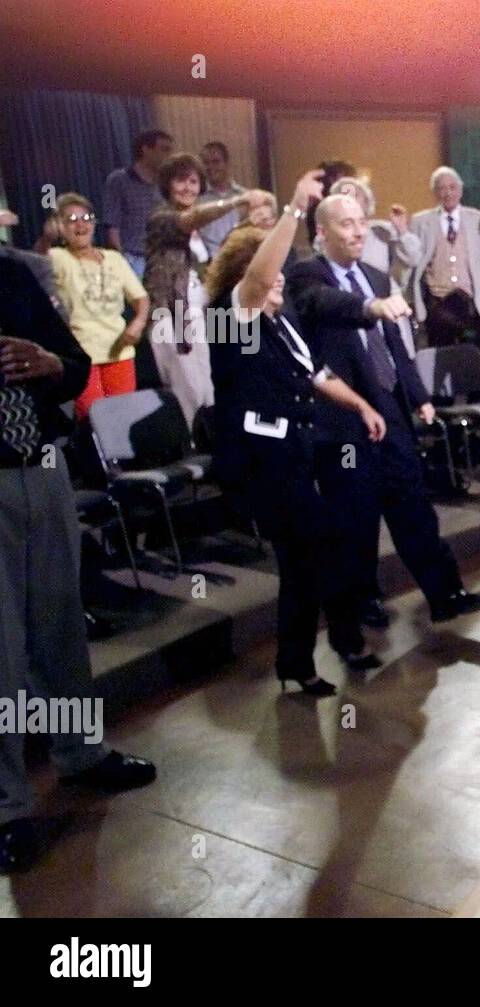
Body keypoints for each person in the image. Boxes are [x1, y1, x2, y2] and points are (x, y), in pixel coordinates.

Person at [0, 254, 156, 874]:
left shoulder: (9, 275)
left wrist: (50, 364)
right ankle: (8, 806)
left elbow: (76, 368)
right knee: (2, 652)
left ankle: (81, 752)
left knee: (62, 627)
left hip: (42, 467)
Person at [206, 171, 388, 695]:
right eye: (274, 270)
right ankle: (344, 641)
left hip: (297, 451)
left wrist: (362, 407)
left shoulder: (281, 324)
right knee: (324, 541)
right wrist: (292, 210)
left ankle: (298, 663)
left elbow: (318, 375)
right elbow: (259, 280)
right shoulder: (228, 319)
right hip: (263, 463)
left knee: (302, 560)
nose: (282, 278)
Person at [288, 194, 480, 625]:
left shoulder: (378, 277)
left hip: (389, 407)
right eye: (346, 224)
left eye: (362, 222)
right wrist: (368, 307)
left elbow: (395, 344)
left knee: (414, 507)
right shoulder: (307, 275)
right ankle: (362, 601)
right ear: (322, 232)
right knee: (355, 517)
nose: (359, 231)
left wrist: (418, 395)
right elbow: (326, 304)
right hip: (341, 419)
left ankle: (445, 593)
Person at [145, 152, 271, 425]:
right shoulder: (160, 218)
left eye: (193, 181)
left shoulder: (196, 232)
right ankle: (194, 458)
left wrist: (253, 224)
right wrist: (237, 200)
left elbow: (216, 263)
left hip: (201, 314)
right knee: (189, 392)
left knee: (211, 389)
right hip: (171, 315)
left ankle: (216, 451)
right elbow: (190, 220)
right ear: (167, 184)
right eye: (181, 181)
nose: (188, 187)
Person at [48, 193, 150, 419]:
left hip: (120, 351)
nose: (81, 224)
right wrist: (47, 237)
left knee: (125, 420)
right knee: (94, 420)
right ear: (61, 228)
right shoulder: (58, 257)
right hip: (83, 356)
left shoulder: (113, 258)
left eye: (86, 218)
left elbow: (140, 298)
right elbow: (34, 261)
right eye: (72, 219)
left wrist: (138, 323)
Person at [326, 176, 421, 360]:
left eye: (355, 197)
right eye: (343, 197)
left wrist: (402, 230)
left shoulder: (382, 231)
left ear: (366, 203)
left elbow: (413, 257)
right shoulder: (325, 239)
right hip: (349, 313)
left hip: (387, 310)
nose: (349, 203)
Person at [409, 167, 480, 350]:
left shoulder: (478, 219)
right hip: (437, 302)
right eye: (442, 188)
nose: (448, 193)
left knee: (474, 355)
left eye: (453, 187)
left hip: (472, 302)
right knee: (440, 355)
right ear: (435, 192)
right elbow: (412, 260)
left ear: (460, 190)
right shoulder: (419, 222)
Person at [103, 129, 174, 276]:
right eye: (164, 150)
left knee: (172, 298)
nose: (169, 156)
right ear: (146, 150)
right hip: (134, 257)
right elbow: (112, 225)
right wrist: (121, 260)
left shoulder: (165, 183)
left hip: (162, 256)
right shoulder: (119, 180)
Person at [196, 141, 247, 257]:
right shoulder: (196, 198)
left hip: (238, 260)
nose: (210, 167)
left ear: (227, 163)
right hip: (207, 264)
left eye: (216, 162)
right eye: (205, 163)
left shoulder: (244, 196)